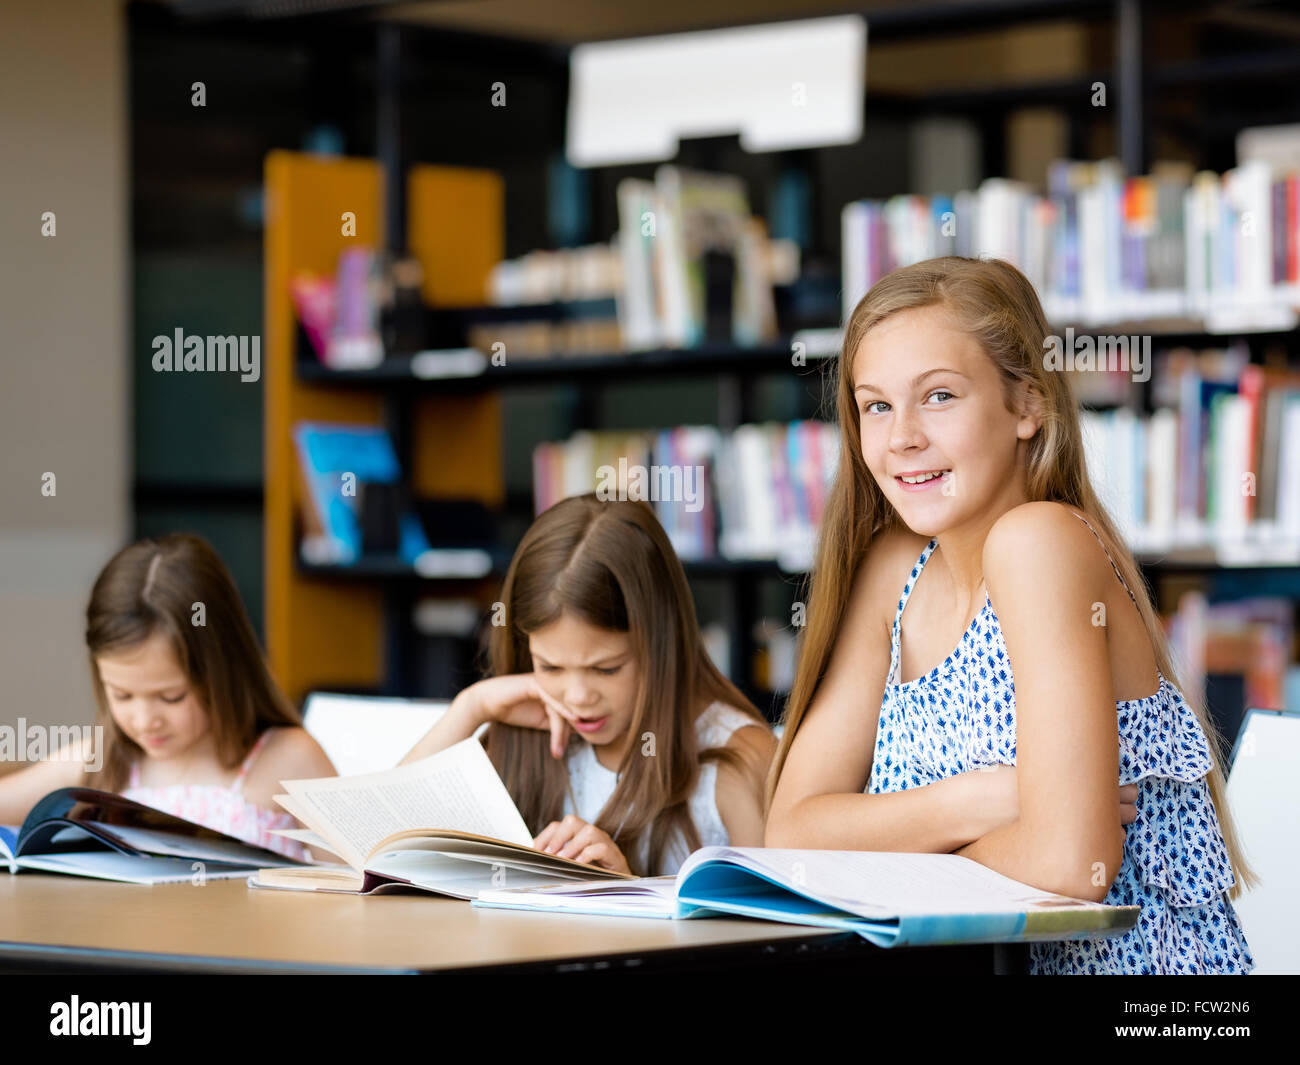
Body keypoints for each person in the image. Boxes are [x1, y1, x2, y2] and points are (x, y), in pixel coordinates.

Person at [765, 255, 1256, 974]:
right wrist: (982, 801)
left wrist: (875, 855)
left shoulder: (1041, 544)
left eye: (938, 396)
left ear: (1028, 405)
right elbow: (792, 832)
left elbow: (1071, 862)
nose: (901, 436)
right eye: (876, 405)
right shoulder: (893, 571)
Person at [401, 494, 775, 876]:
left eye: (606, 669)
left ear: (663, 643)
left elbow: (781, 930)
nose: (578, 698)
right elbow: (383, 844)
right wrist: (472, 706)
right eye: (550, 667)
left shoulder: (736, 757)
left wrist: (628, 891)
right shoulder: (523, 727)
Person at [0, 534, 335, 860]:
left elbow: (360, 884)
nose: (146, 721)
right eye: (122, 695)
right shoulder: (99, 760)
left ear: (223, 672)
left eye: (171, 696)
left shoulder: (289, 759)